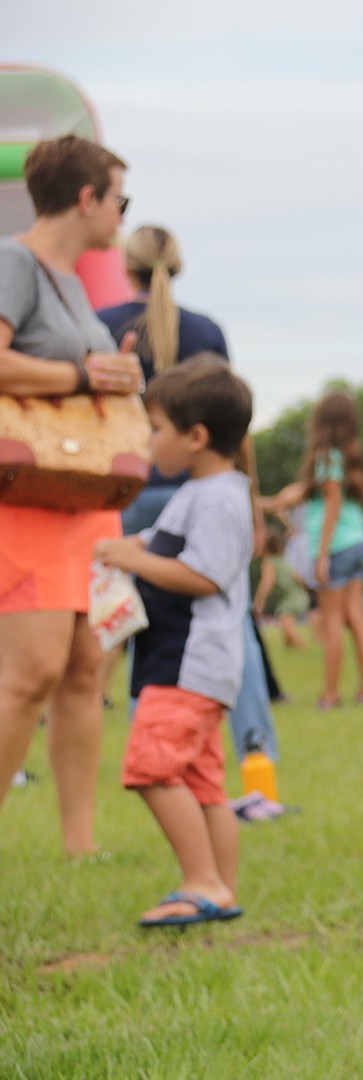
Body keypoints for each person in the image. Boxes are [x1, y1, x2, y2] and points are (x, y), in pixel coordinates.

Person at [0, 134, 143, 857]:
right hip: (26, 497)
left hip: (87, 499)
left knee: (87, 668)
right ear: (87, 198)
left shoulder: (77, 283)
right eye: (119, 197)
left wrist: (113, 375)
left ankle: (79, 846)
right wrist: (86, 378)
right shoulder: (12, 261)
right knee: (30, 673)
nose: (122, 213)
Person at [92, 358, 253, 927]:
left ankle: (201, 880)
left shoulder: (216, 499)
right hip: (189, 666)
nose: (147, 438)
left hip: (186, 666)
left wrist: (134, 558)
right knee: (202, 782)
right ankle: (222, 888)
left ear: (197, 436)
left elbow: (204, 575)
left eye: (155, 427)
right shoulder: (202, 494)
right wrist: (127, 547)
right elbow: (164, 547)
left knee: (151, 770)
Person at [96, 224, 232, 534]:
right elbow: (230, 420)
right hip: (198, 487)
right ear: (176, 266)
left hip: (123, 484)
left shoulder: (101, 324)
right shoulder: (207, 331)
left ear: (127, 266)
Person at [265, 393, 363, 709]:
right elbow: (306, 495)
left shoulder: (326, 458)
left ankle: (330, 694)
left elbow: (332, 505)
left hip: (337, 546)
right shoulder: (349, 456)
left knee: (331, 622)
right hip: (358, 542)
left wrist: (323, 553)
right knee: (355, 618)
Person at [253, 532, 307, 650]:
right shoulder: (284, 559)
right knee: (285, 624)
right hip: (298, 595)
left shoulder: (269, 563)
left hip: (292, 598)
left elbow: (266, 583)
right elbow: (299, 578)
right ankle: (291, 651)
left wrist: (259, 601)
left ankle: (303, 649)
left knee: (285, 623)